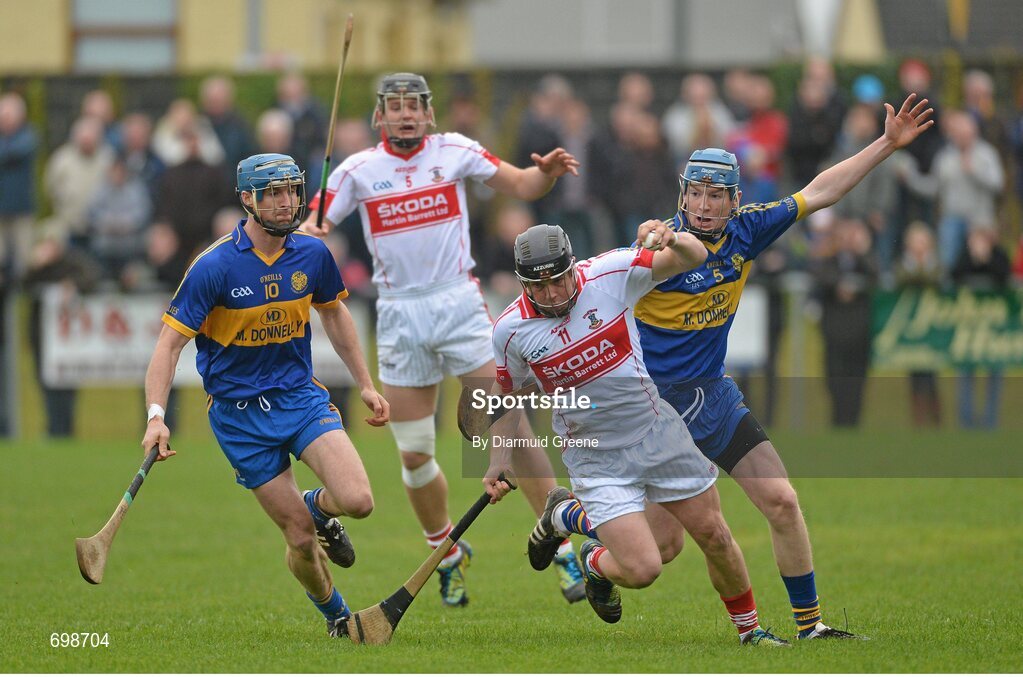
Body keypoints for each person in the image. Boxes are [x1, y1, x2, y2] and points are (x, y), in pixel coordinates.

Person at [632, 93, 934, 639]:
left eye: (715, 195)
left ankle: (810, 626)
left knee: (783, 501)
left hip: (713, 397)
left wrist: (886, 145)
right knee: (661, 549)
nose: (703, 205)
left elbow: (820, 191)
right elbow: (604, 284)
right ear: (682, 194)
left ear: (735, 199)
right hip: (659, 412)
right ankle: (576, 533)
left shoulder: (747, 231)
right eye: (695, 192)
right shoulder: (658, 249)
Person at [301, 72, 586, 607]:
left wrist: (545, 174)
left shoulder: (454, 149)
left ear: (429, 113)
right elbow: (314, 226)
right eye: (395, 106)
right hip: (399, 315)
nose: (406, 114)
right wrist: (311, 232)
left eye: (415, 105)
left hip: (458, 304)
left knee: (510, 425)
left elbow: (523, 183)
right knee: (414, 455)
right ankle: (447, 552)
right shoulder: (357, 170)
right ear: (379, 116)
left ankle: (563, 546)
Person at [484, 224, 788, 646]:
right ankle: (584, 543)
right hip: (595, 455)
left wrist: (673, 238)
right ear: (523, 284)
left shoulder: (611, 274)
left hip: (656, 431)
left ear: (573, 267)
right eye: (538, 286)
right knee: (644, 568)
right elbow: (507, 395)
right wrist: (498, 462)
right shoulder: (510, 330)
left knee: (705, 536)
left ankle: (750, 632)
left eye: (558, 280)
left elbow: (695, 257)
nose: (551, 294)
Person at [141, 153, 389, 638]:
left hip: (299, 398)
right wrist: (155, 416)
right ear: (247, 200)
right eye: (273, 193)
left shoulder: (312, 254)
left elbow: (334, 313)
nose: (285, 201)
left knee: (359, 500)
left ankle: (318, 506)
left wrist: (365, 382)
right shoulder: (213, 266)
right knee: (299, 538)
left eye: (291, 190)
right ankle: (338, 616)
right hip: (239, 419)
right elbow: (168, 346)